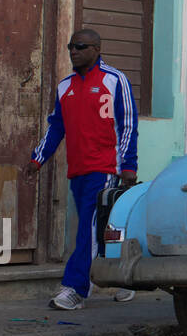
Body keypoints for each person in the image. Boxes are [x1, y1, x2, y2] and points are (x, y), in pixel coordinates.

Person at [24, 29, 139, 310]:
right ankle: (123, 277)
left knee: (87, 228)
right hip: (78, 170)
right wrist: (37, 159)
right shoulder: (65, 87)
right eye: (70, 47)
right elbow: (56, 128)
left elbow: (128, 124)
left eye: (80, 46)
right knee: (99, 229)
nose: (74, 51)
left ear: (97, 49)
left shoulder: (115, 80)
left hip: (106, 168)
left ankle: (75, 289)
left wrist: (128, 165)